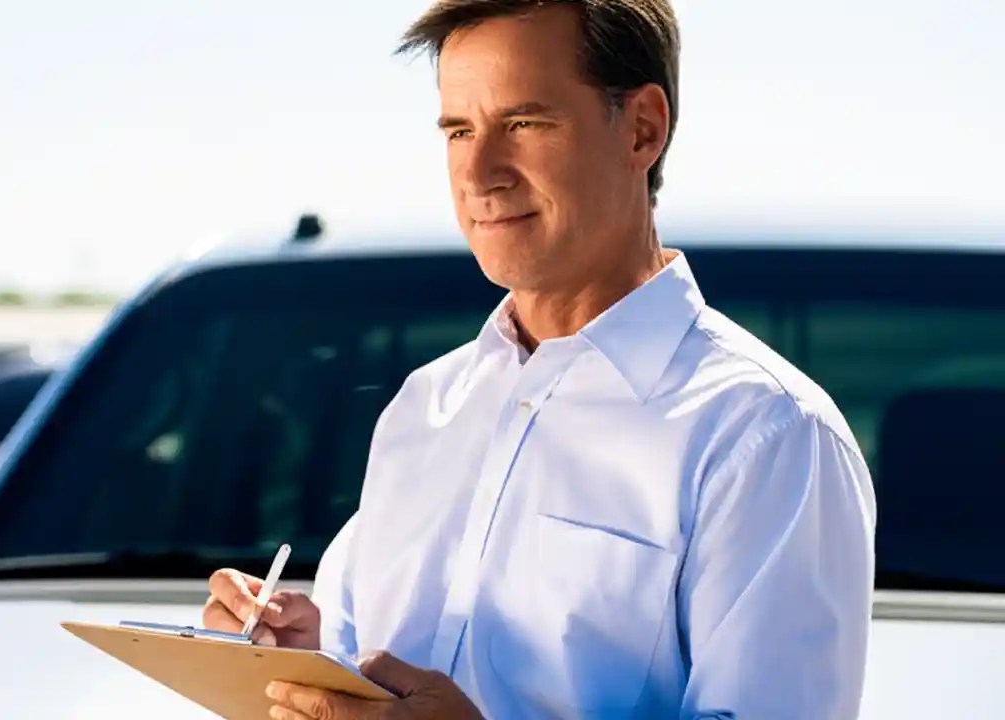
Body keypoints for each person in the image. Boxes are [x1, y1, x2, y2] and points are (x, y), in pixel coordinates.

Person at [204, 1, 876, 717]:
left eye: (524, 123)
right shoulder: (425, 407)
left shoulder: (767, 436)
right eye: (459, 130)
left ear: (643, 128)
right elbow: (365, 655)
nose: (480, 173)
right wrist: (302, 662)